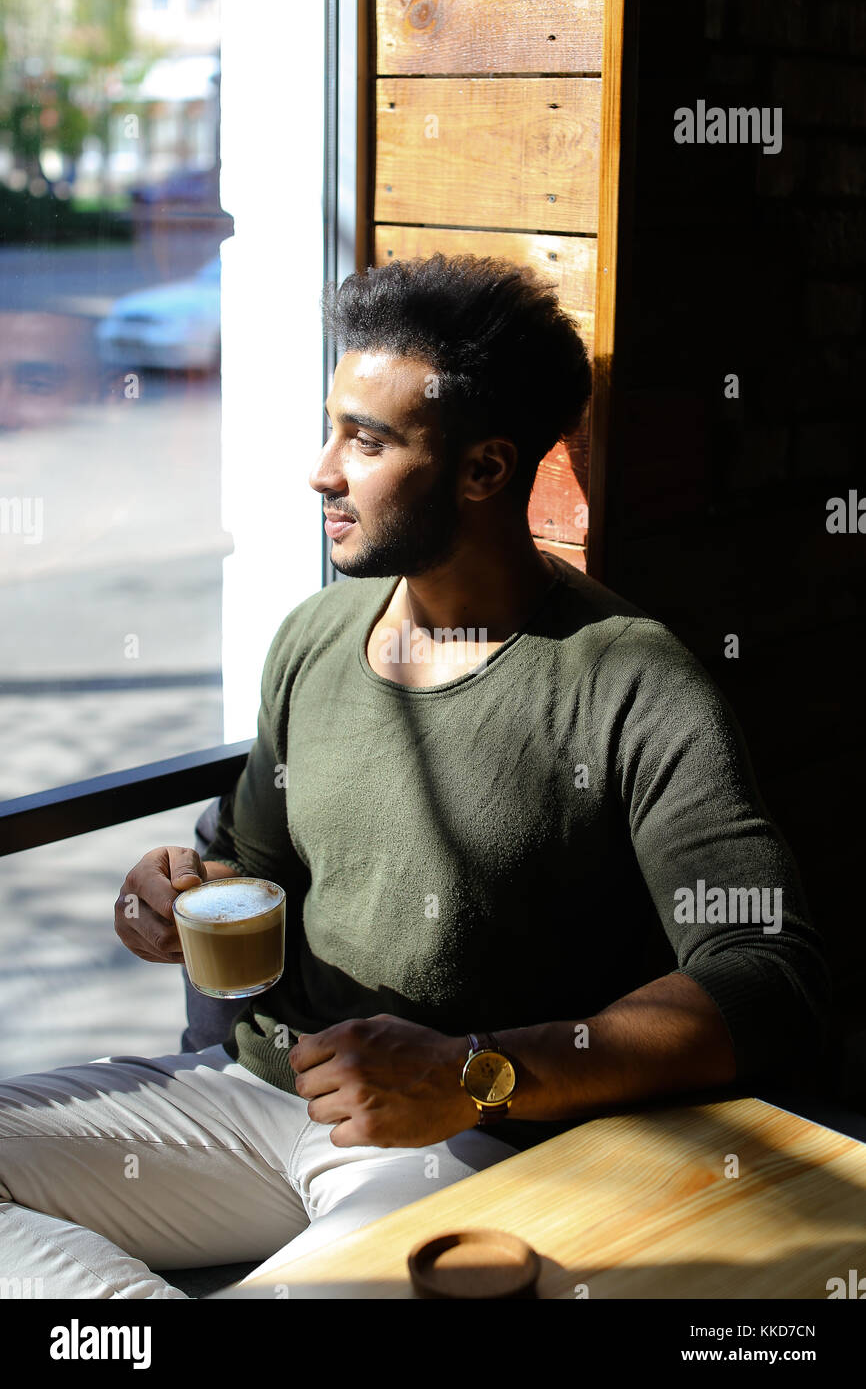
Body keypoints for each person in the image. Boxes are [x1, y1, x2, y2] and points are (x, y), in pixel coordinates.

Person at [0, 254, 831, 1299]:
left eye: (367, 439)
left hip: (470, 1141)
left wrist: (474, 1071)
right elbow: (242, 863)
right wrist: (168, 890)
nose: (320, 470)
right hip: (257, 1094)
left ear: (484, 470)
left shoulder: (629, 677)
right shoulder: (313, 634)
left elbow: (768, 975)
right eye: (330, 426)